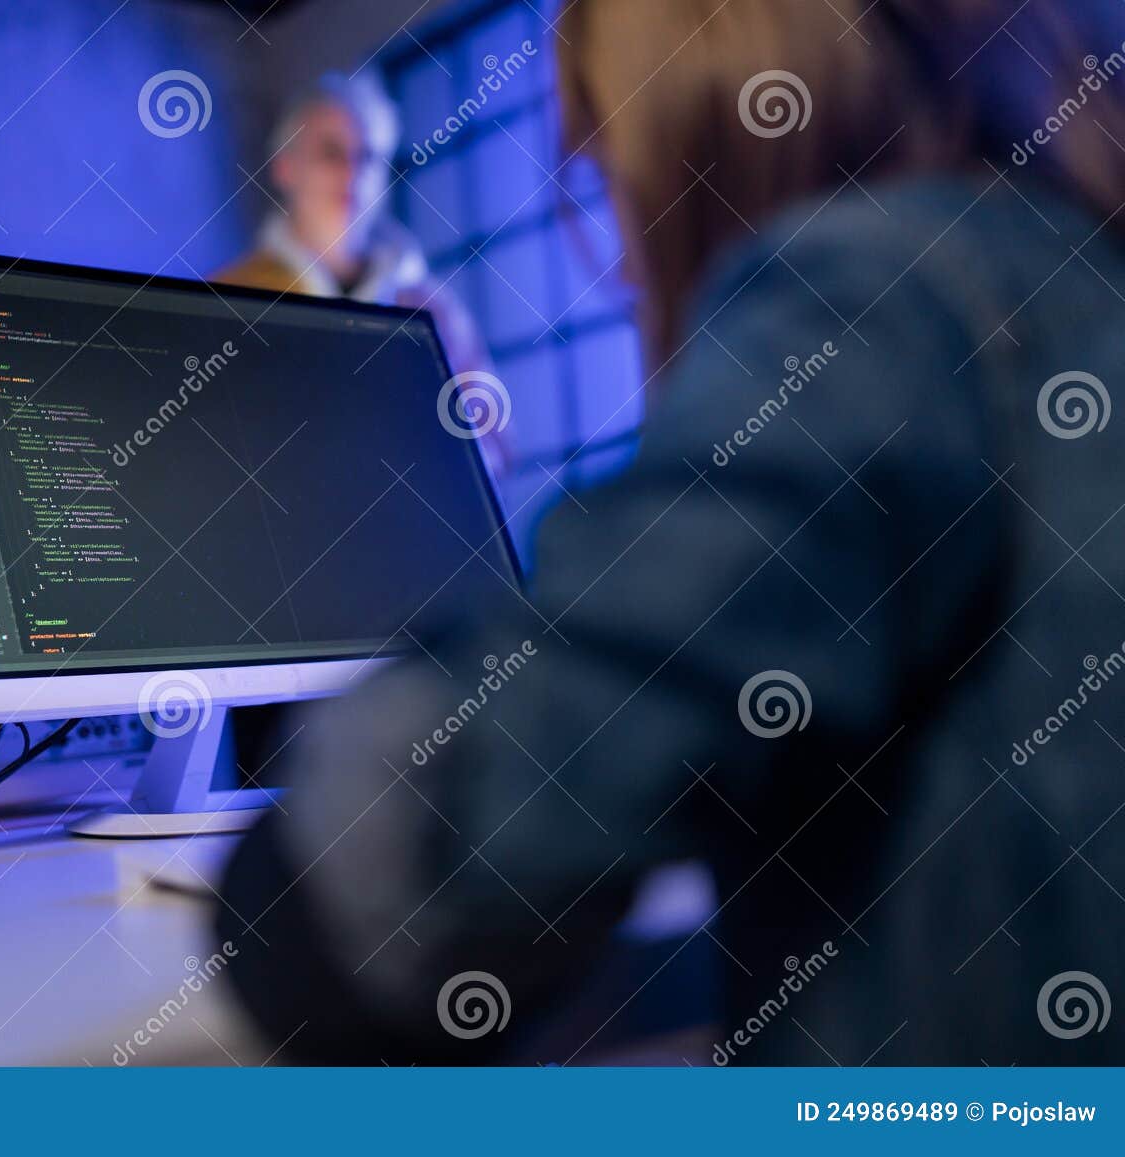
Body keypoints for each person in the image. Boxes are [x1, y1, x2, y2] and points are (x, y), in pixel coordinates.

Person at [215, 0, 1125, 1065]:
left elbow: (416, 890)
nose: (611, 258)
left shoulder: (884, 288)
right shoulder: (1061, 280)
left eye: (599, 172)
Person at [215, 73, 508, 473]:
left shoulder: (431, 306)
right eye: (331, 153)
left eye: (367, 157)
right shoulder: (229, 298)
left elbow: (494, 446)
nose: (351, 175)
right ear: (285, 167)